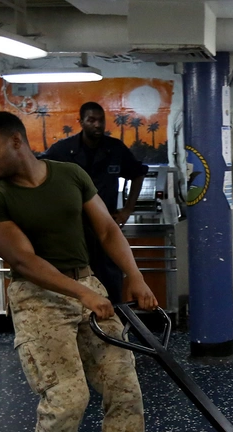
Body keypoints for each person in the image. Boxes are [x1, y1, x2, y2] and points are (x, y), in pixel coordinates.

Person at [0, 111, 174, 432]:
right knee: (67, 398)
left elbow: (106, 230)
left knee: (124, 388)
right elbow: (25, 261)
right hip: (37, 298)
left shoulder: (70, 174)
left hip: (88, 286)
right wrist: (81, 294)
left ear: (16, 141)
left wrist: (133, 275)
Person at [44, 102, 149, 302]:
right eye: (91, 120)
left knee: (110, 281)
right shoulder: (63, 151)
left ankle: (113, 327)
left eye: (101, 120)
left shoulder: (115, 149)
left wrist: (128, 210)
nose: (97, 125)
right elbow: (40, 174)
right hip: (72, 228)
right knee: (76, 281)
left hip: (106, 224)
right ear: (81, 122)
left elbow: (138, 174)